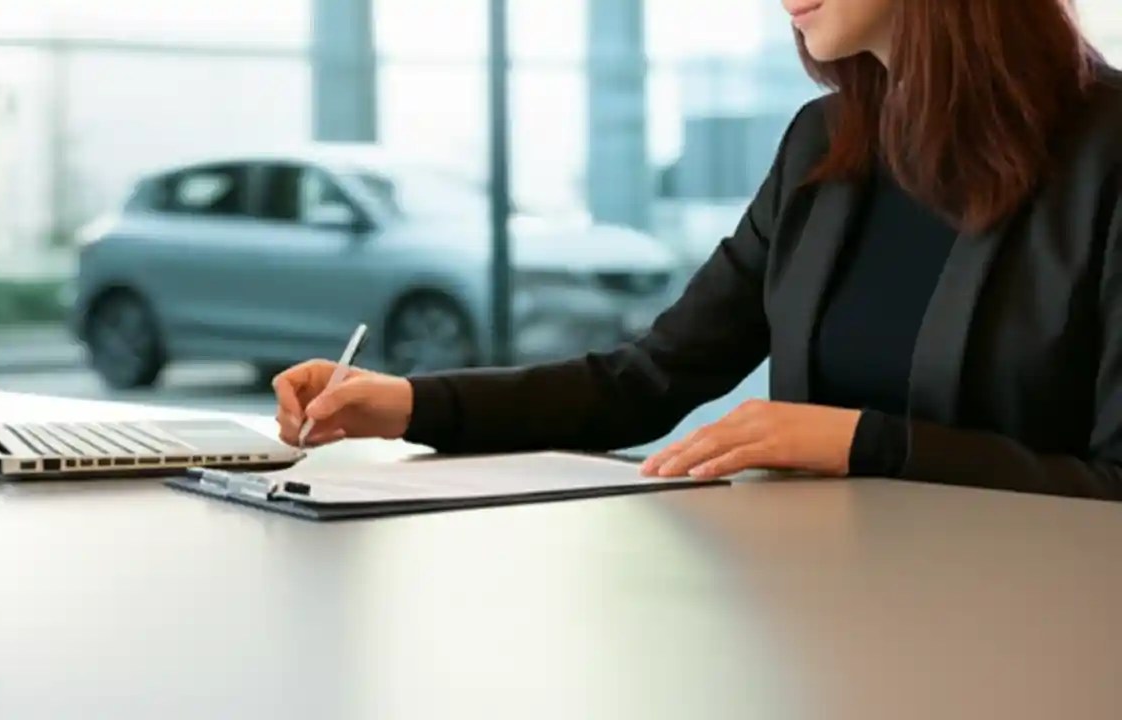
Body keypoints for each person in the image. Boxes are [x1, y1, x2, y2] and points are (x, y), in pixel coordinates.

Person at [274, 0, 1122, 501]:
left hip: (1039, 638)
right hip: (846, 619)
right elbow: (645, 382)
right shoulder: (824, 146)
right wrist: (407, 404)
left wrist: (866, 443)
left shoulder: (1108, 149)